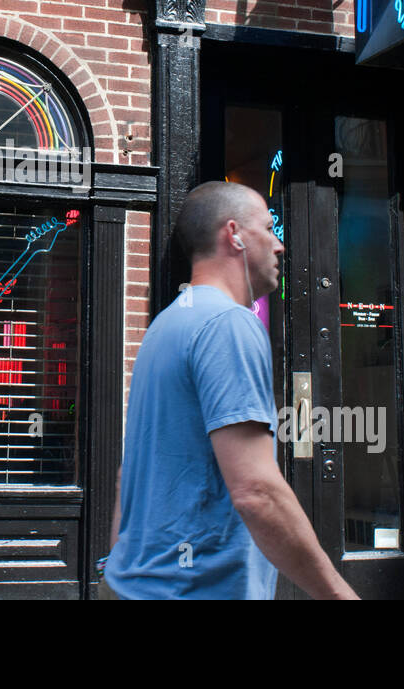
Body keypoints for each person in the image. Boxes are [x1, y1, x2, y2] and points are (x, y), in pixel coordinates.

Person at [103, 180, 359, 599]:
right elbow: (256, 492)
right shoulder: (229, 324)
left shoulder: (165, 326)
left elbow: (125, 477)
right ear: (234, 234)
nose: (280, 245)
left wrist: (116, 570)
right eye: (269, 228)